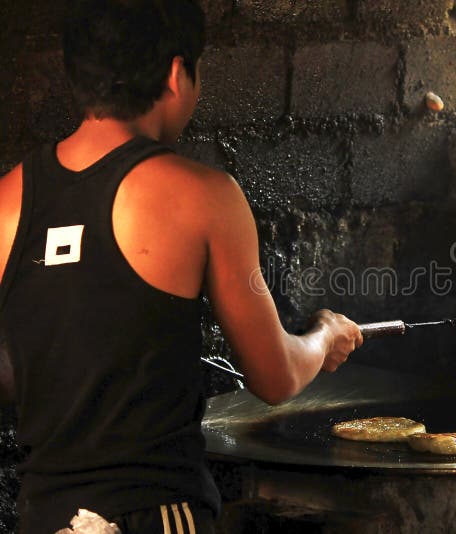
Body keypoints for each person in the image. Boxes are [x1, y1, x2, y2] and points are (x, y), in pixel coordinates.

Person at [0, 0, 363, 532]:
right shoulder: (204, 196)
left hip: (44, 517)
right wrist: (324, 336)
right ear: (176, 74)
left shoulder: (7, 201)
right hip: (154, 513)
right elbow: (275, 374)